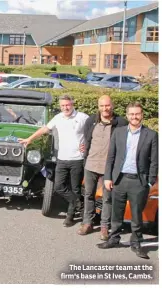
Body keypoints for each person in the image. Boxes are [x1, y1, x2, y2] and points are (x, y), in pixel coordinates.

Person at [97, 102, 158, 259]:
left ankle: (136, 243)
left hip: (139, 182)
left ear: (142, 115)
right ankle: (114, 239)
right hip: (119, 179)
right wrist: (108, 177)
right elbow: (111, 157)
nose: (134, 117)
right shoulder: (118, 132)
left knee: (137, 215)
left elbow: (154, 161)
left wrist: (150, 182)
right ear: (127, 115)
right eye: (131, 114)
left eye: (137, 114)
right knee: (116, 213)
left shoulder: (151, 135)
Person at [19, 95, 89, 227]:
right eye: (62, 106)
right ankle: (80, 204)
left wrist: (87, 144)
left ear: (72, 104)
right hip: (62, 158)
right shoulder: (58, 118)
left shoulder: (82, 117)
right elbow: (44, 129)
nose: (65, 108)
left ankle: (70, 216)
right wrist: (29, 139)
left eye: (67, 105)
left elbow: (92, 131)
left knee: (75, 188)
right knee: (59, 186)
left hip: (77, 159)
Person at [77, 95, 128, 239]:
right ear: (98, 107)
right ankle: (87, 222)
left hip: (109, 168)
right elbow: (86, 139)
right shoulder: (91, 121)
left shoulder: (121, 123)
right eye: (102, 106)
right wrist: (84, 149)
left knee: (107, 198)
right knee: (88, 195)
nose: (105, 108)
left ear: (112, 105)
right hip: (91, 164)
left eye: (107, 105)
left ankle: (104, 226)